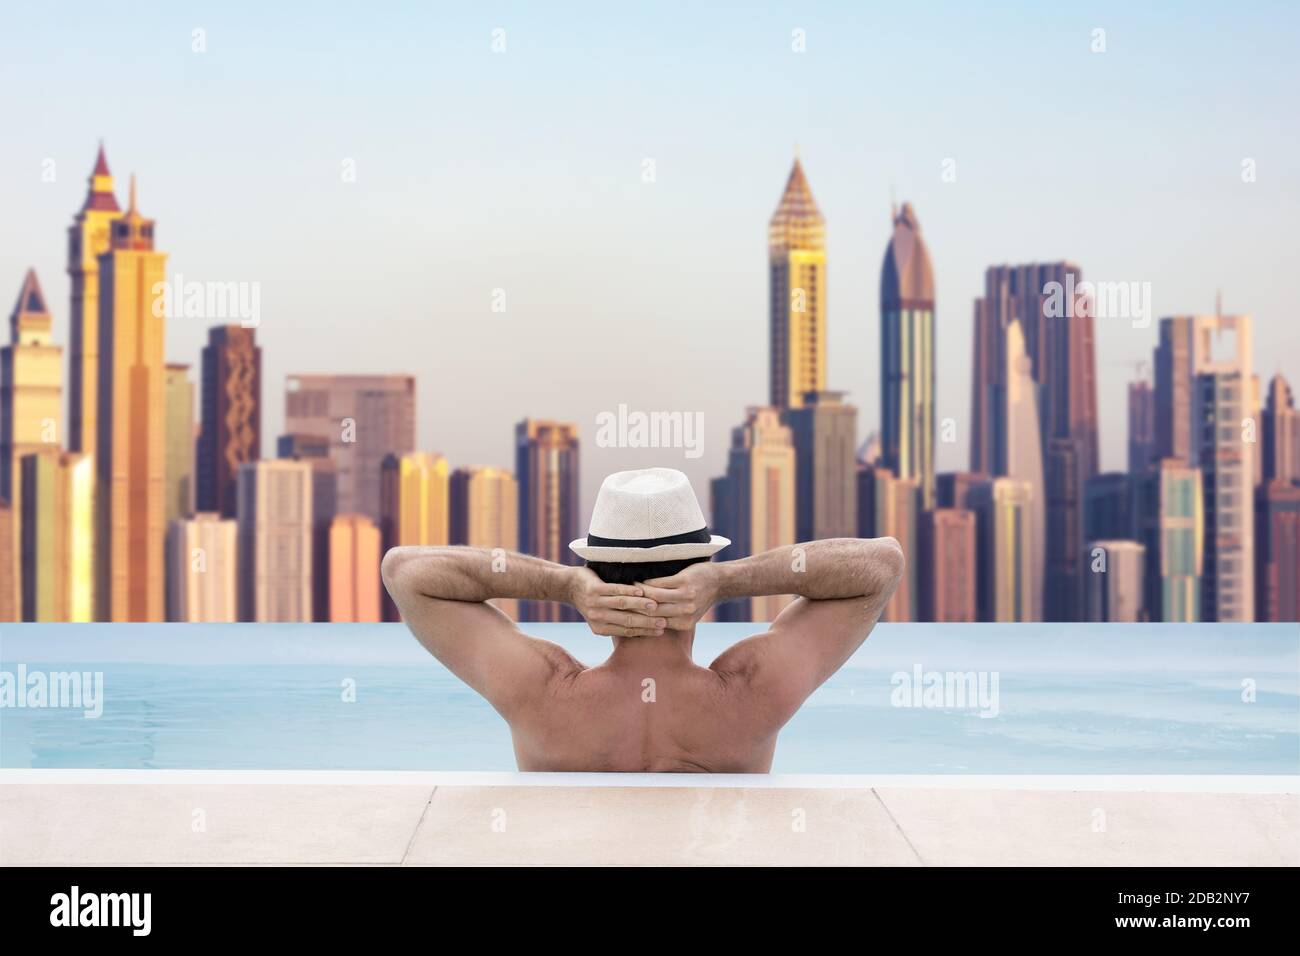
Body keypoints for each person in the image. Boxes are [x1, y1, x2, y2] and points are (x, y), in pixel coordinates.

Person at [381, 467, 903, 772]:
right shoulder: (751, 694)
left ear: (597, 570)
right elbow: (882, 566)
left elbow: (406, 572)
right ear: (701, 568)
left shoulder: (541, 693)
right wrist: (729, 582)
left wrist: (563, 585)